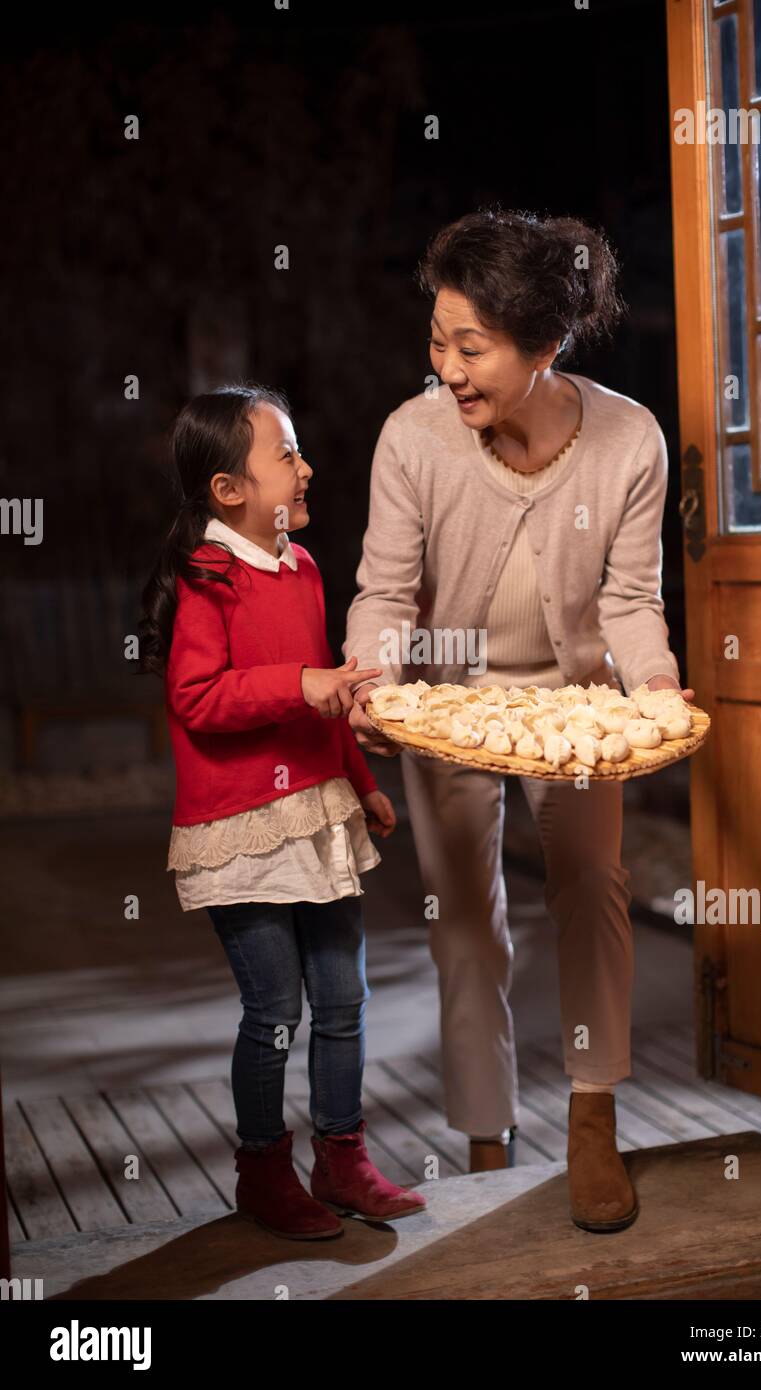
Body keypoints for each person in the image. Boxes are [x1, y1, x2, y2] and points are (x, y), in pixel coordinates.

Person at [346, 209, 694, 1232]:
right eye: (435, 340)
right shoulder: (412, 437)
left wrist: (657, 688)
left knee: (592, 889)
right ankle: (486, 1135)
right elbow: (383, 589)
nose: (445, 368)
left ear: (545, 346)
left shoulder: (628, 438)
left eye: (470, 346)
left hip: (573, 706)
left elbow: (631, 602)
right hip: (448, 702)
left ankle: (593, 1118)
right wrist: (372, 670)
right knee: (462, 919)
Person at [139, 383, 426, 1239]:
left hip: (319, 813)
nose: (307, 468)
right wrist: (302, 684)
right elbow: (198, 698)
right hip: (242, 832)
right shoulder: (205, 579)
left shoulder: (302, 569)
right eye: (287, 455)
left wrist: (362, 782)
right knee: (275, 1010)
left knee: (344, 998)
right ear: (229, 491)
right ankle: (263, 1171)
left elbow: (324, 701)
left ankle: (342, 1160)